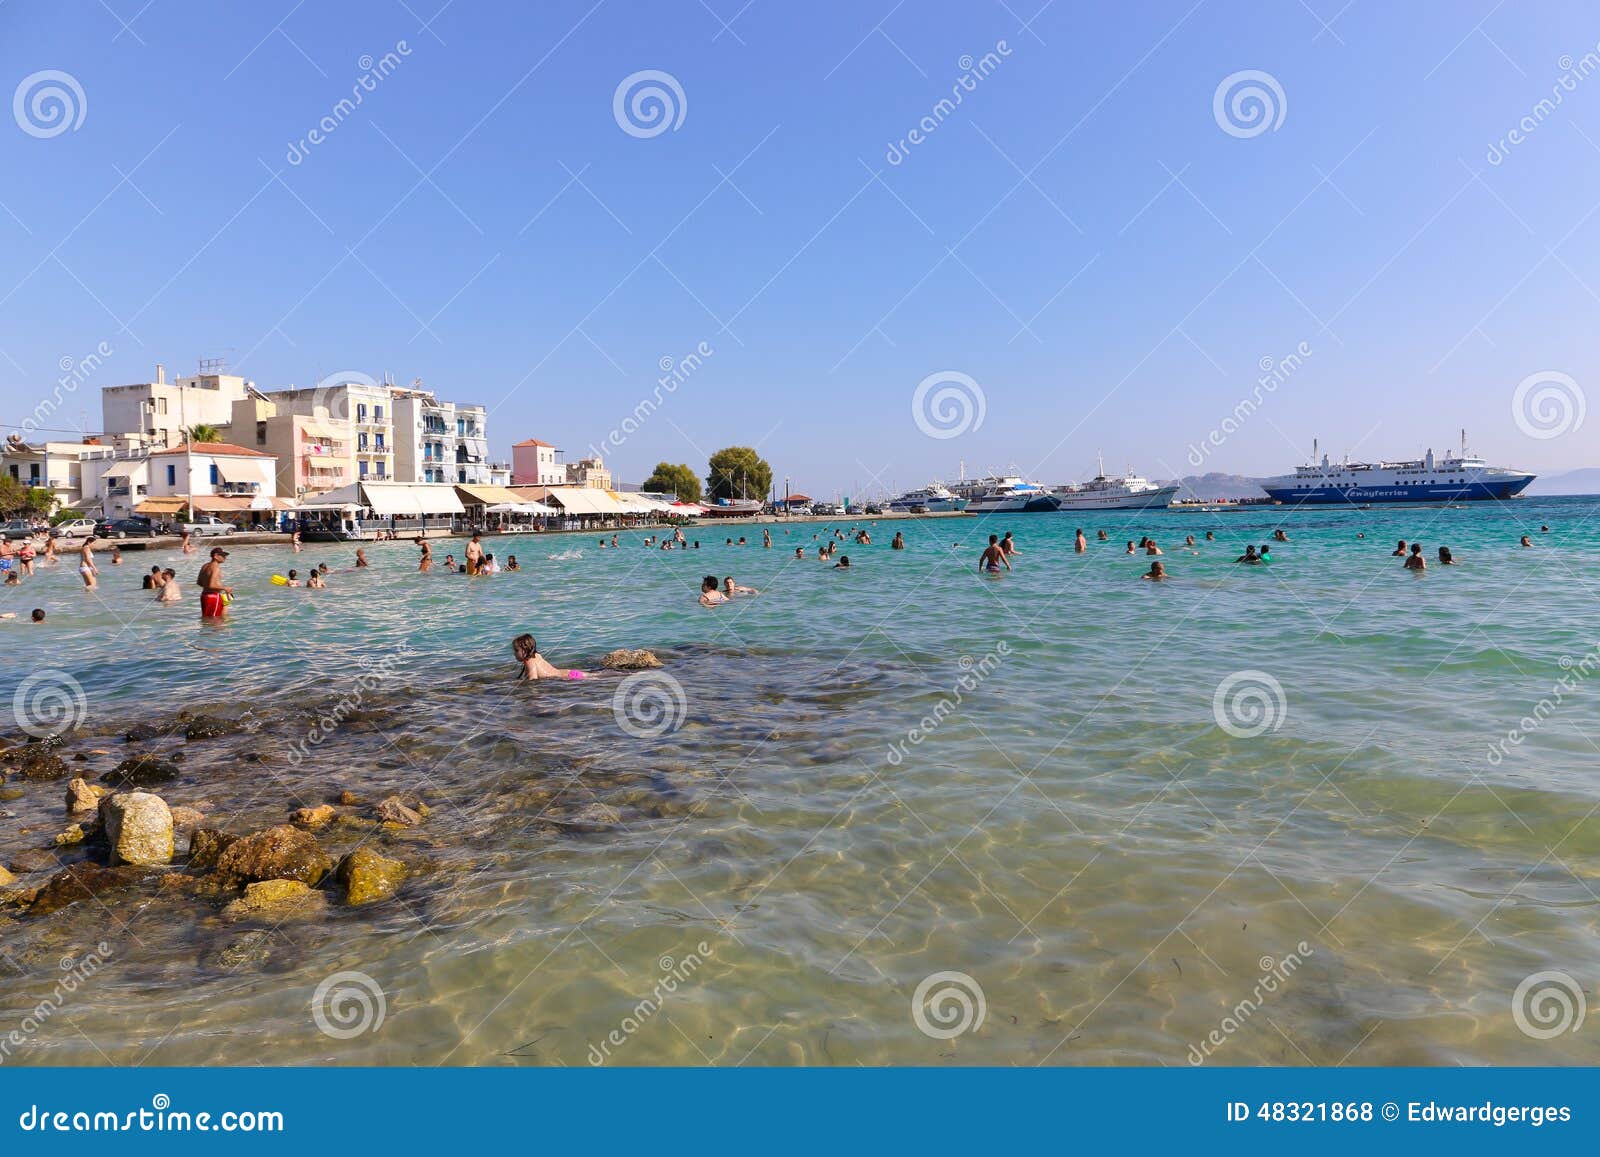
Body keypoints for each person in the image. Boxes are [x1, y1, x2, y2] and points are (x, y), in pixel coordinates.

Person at [511, 633, 587, 681]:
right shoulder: (536, 655)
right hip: (570, 673)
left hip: (569, 677)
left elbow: (533, 680)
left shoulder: (529, 661)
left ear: (526, 649)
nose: (514, 653)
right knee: (596, 676)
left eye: (516, 650)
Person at [197, 547, 232, 618]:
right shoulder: (216, 567)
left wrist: (207, 586)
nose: (225, 557)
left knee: (207, 618)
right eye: (222, 555)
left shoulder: (205, 566)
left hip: (204, 595)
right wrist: (225, 588)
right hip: (214, 596)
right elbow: (211, 585)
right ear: (216, 556)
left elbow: (199, 582)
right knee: (216, 620)